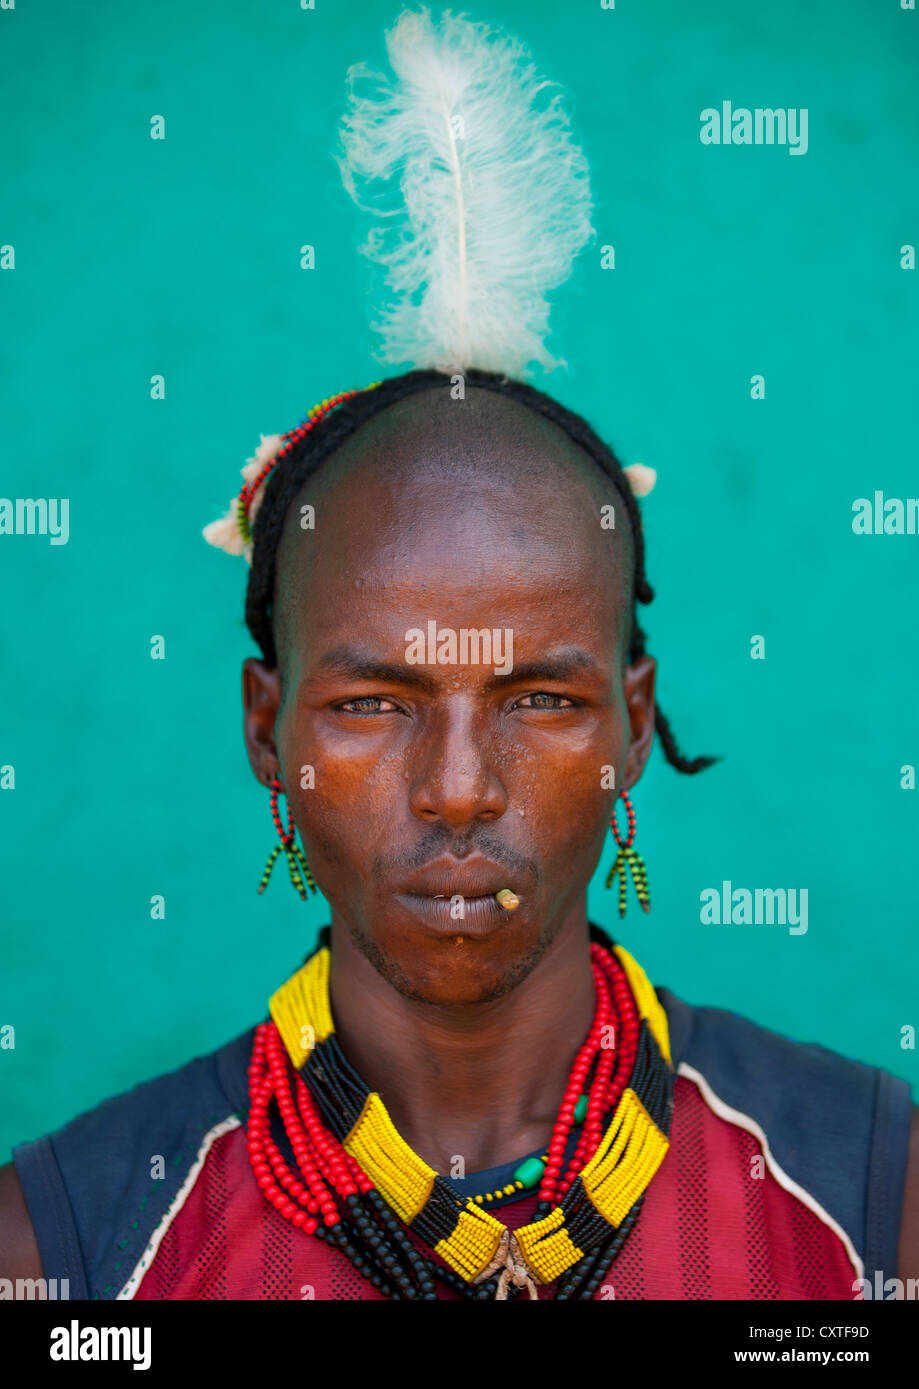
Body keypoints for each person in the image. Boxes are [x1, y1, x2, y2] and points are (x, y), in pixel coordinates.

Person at [2, 8, 916, 1302]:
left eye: (540, 696)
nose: (458, 788)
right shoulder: (70, 1253)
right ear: (267, 728)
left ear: (632, 724)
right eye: (374, 701)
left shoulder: (874, 1204)